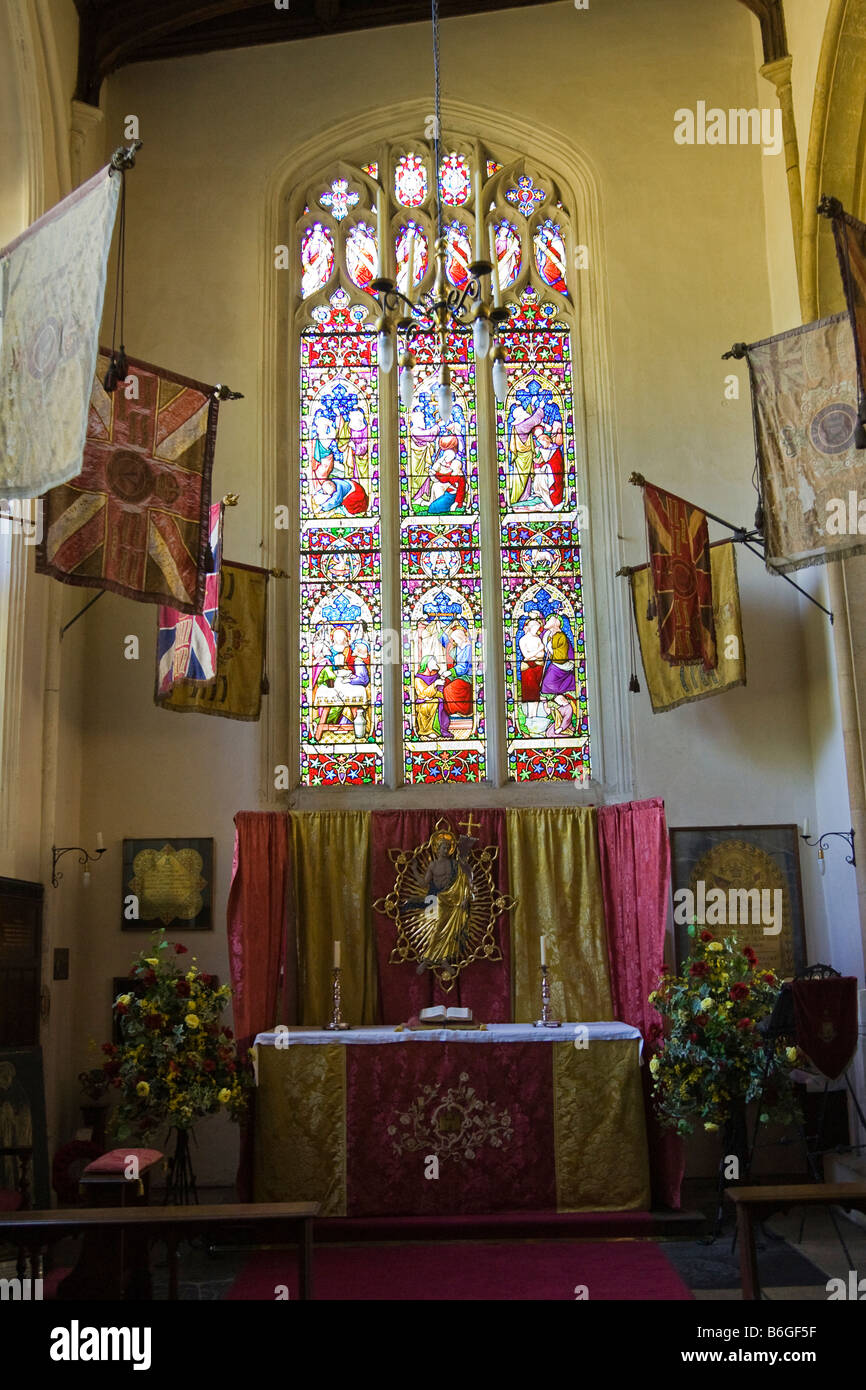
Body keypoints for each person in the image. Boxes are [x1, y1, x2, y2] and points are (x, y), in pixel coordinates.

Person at [541, 614, 576, 734]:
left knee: (547, 683)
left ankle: (561, 694)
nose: (546, 621)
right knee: (546, 683)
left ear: (557, 623)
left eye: (549, 619)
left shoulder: (561, 636)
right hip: (555, 664)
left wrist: (551, 648)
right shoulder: (550, 635)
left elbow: (561, 656)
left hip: (562, 665)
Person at [413, 657, 449, 737]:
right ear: (427, 664)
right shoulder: (418, 678)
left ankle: (438, 729)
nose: (436, 663)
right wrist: (435, 684)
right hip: (423, 702)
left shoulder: (436, 675)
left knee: (437, 702)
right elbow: (423, 693)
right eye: (433, 661)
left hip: (436, 700)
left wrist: (441, 680)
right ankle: (427, 730)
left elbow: (440, 691)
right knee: (428, 706)